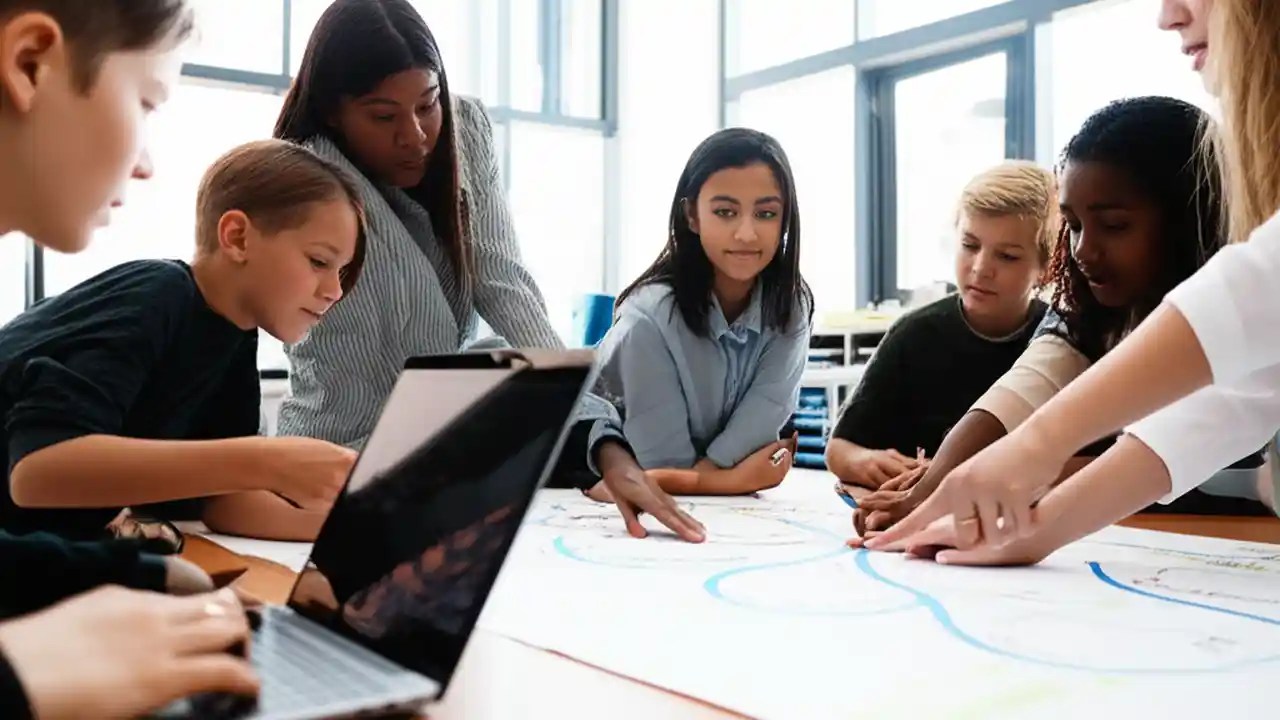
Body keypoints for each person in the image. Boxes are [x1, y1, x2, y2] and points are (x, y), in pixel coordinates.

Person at [864, 0, 1280, 564]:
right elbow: (1233, 402)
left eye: (1113, 225)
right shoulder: (1088, 308)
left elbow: (1246, 306)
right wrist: (1018, 520)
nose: (1167, 15)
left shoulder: (1235, 279)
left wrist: (1037, 459)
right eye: (1075, 227)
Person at [0, 0, 255, 715]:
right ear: (29, 64)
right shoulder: (158, 291)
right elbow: (38, 472)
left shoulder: (230, 336)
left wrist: (137, 578)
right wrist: (23, 673)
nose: (145, 165)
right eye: (146, 102)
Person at [0, 140, 366, 543]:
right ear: (238, 237)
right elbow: (37, 471)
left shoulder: (236, 342)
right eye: (318, 261)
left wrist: (356, 529)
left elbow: (225, 502)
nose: (335, 290)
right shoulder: (156, 293)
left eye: (341, 271)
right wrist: (268, 461)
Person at [273, 0, 562, 451]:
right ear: (332, 110)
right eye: (383, 117)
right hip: (336, 447)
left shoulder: (464, 128)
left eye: (428, 104)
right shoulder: (307, 173)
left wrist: (586, 419)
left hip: (442, 448)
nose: (415, 136)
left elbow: (503, 281)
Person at [574, 128, 812, 500]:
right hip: (582, 481)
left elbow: (768, 407)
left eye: (766, 213)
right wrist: (731, 481)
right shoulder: (648, 318)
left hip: (685, 494)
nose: (747, 234)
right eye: (725, 212)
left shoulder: (790, 305)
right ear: (692, 215)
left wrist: (710, 477)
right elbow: (661, 465)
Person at [827, 160, 1054, 491]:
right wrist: (864, 462)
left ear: (1047, 268)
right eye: (970, 245)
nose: (980, 268)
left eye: (1006, 256)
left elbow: (1094, 459)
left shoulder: (1059, 341)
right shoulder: (914, 334)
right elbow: (840, 449)